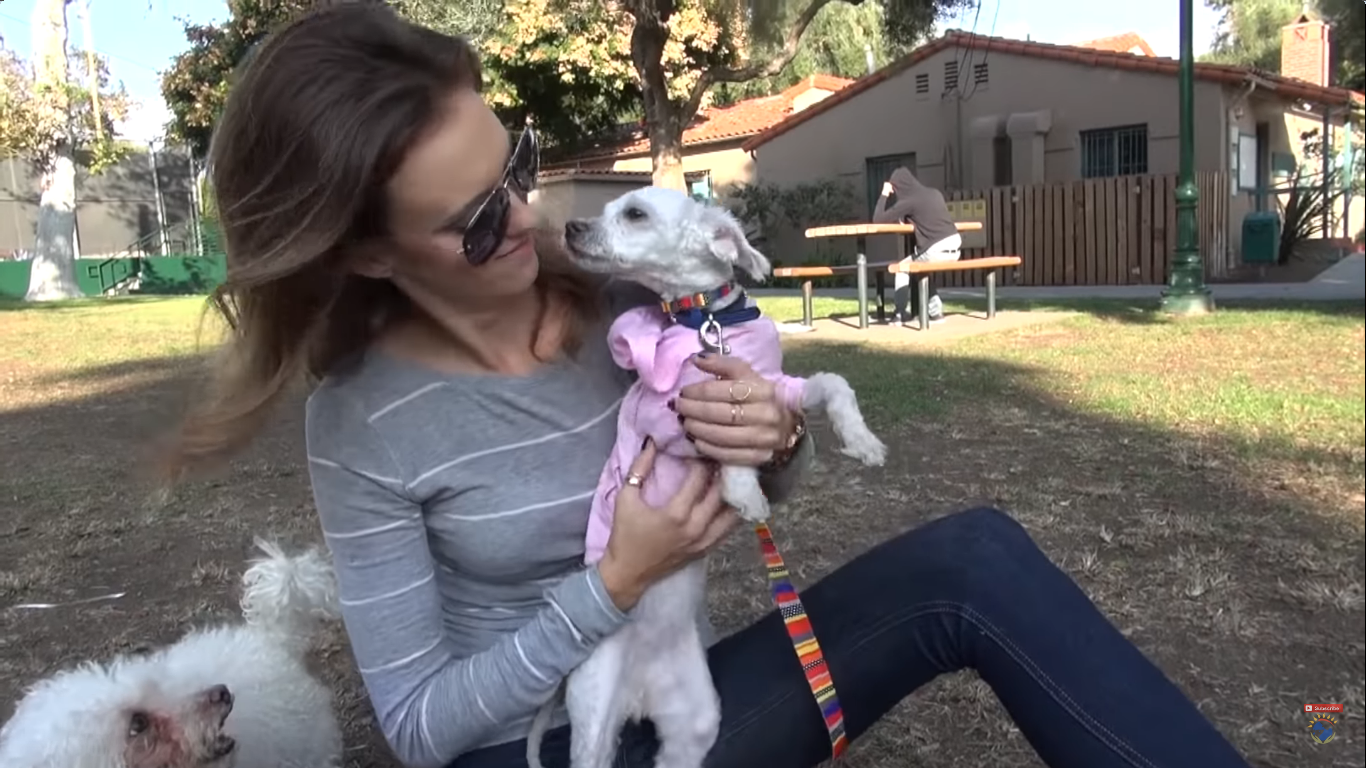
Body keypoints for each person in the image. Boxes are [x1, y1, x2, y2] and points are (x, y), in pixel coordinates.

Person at [159, 5, 1255, 768]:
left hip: (682, 687)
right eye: (479, 219)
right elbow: (416, 725)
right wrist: (613, 583)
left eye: (520, 166)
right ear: (363, 256)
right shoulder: (362, 420)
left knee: (972, 560)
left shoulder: (628, 299)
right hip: (525, 748)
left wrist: (774, 450)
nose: (532, 223)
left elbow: (755, 483)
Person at [872, 167, 961, 326]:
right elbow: (924, 216)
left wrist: (885, 193)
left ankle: (899, 314)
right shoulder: (934, 193)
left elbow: (877, 220)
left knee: (902, 267)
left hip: (936, 250)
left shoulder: (909, 202)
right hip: (956, 247)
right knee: (922, 265)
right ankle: (935, 313)